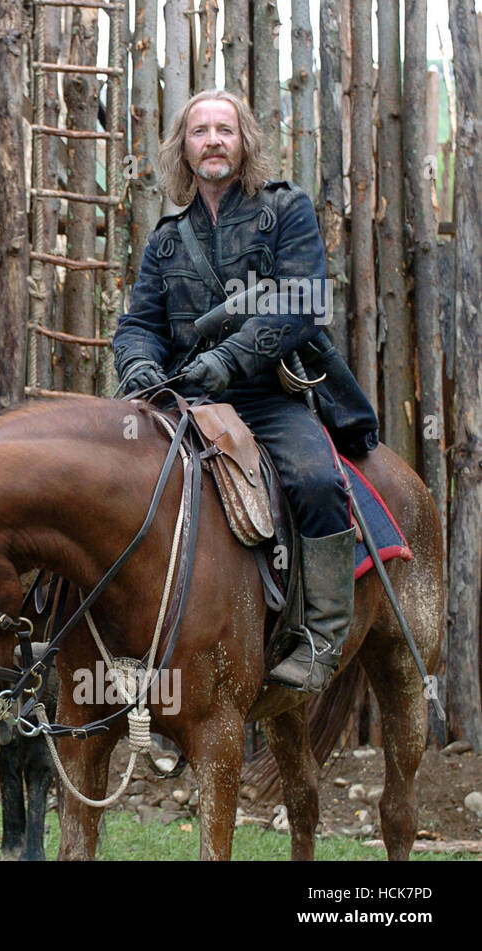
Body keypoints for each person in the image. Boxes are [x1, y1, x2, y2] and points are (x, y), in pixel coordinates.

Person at [113, 89, 379, 693]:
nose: (213, 140)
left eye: (224, 130)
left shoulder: (286, 208)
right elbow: (140, 323)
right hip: (183, 401)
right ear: (183, 148)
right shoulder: (166, 239)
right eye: (200, 131)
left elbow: (303, 302)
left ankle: (320, 637)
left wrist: (229, 359)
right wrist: (139, 364)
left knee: (315, 481)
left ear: (244, 142)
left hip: (267, 396)